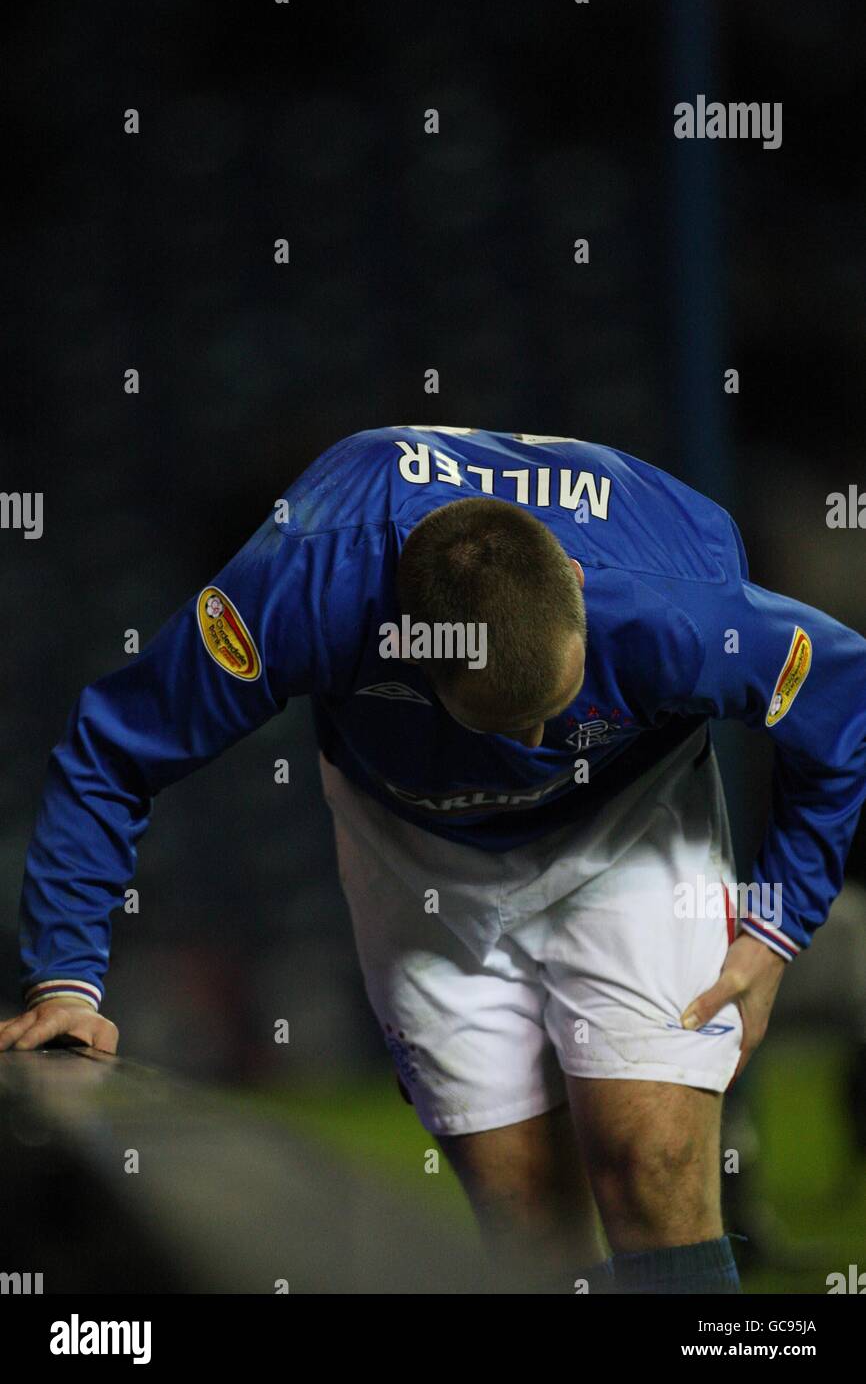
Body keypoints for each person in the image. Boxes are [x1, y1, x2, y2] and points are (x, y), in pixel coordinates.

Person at [5, 425, 866, 1295]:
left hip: (629, 825)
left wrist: (775, 931)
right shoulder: (304, 585)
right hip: (415, 852)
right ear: (409, 645)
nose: (536, 745)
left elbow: (841, 703)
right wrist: (66, 982)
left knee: (653, 1159)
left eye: (554, 705)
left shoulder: (680, 607)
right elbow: (113, 753)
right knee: (527, 1215)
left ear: (573, 583)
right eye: (505, 722)